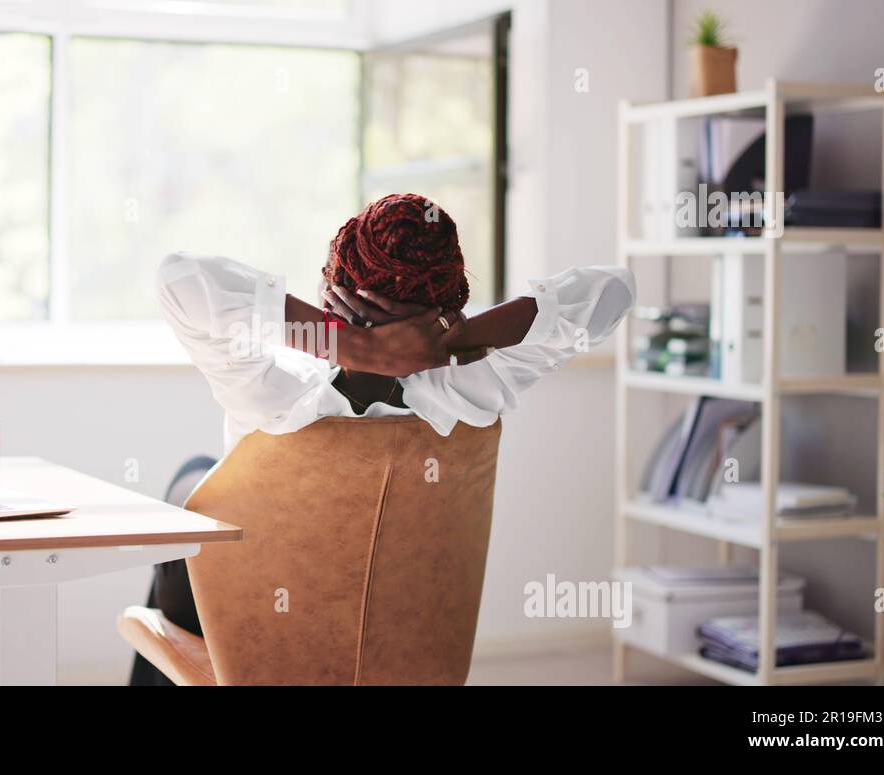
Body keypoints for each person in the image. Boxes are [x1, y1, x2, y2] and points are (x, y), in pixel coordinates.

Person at [129, 193, 634, 685]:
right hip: (408, 647)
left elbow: (179, 278)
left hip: (256, 623)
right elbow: (614, 289)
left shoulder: (271, 399)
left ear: (331, 292)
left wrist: (345, 343)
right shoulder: (475, 391)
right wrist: (451, 340)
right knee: (190, 489)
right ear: (452, 299)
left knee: (188, 491)